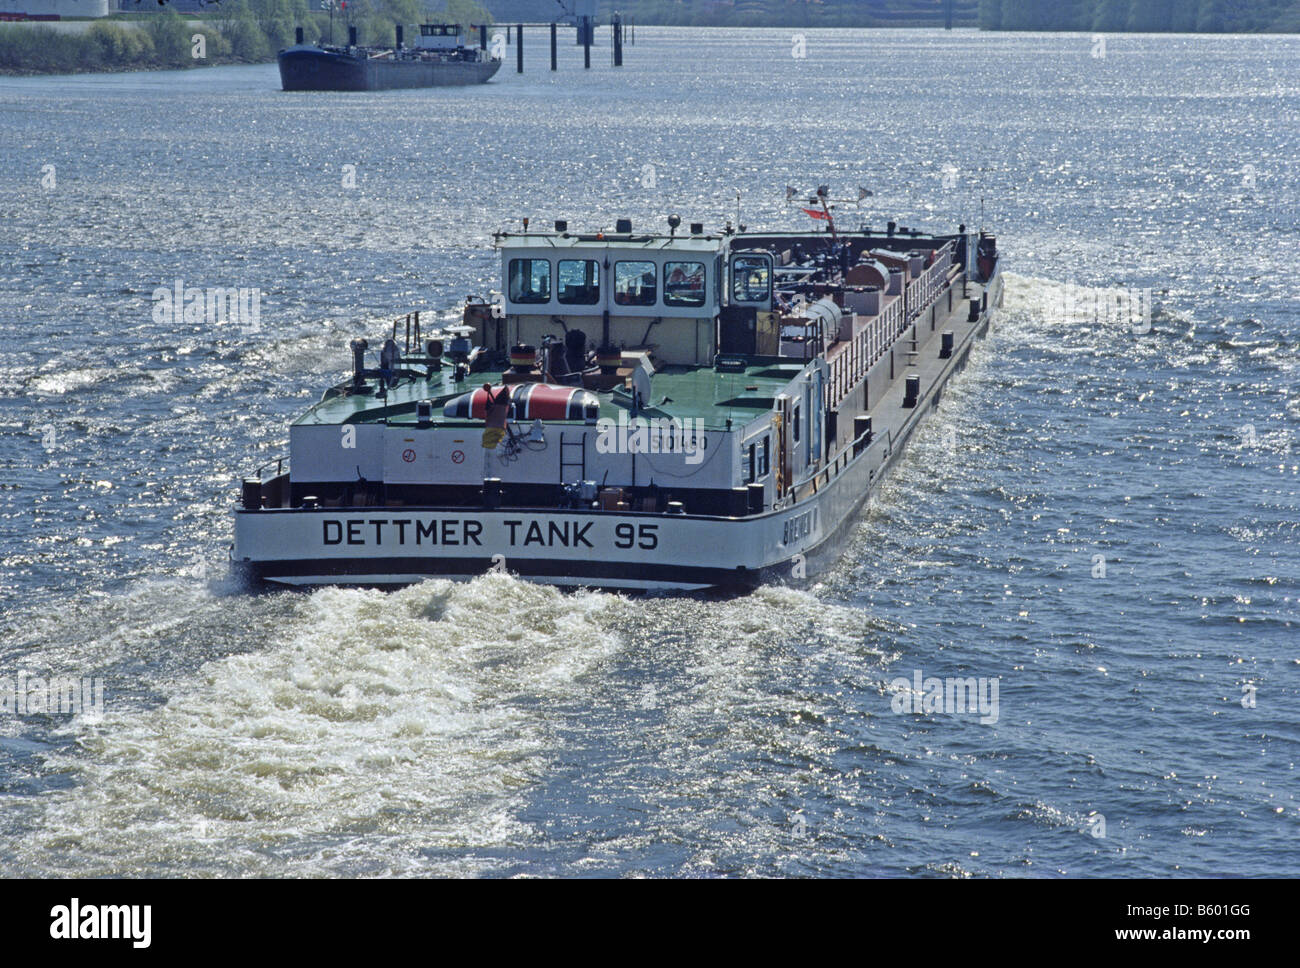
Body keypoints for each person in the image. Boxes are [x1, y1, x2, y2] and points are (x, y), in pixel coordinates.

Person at [481, 383, 511, 451]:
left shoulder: (495, 405)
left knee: (489, 447)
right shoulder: (504, 406)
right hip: (500, 428)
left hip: (491, 428)